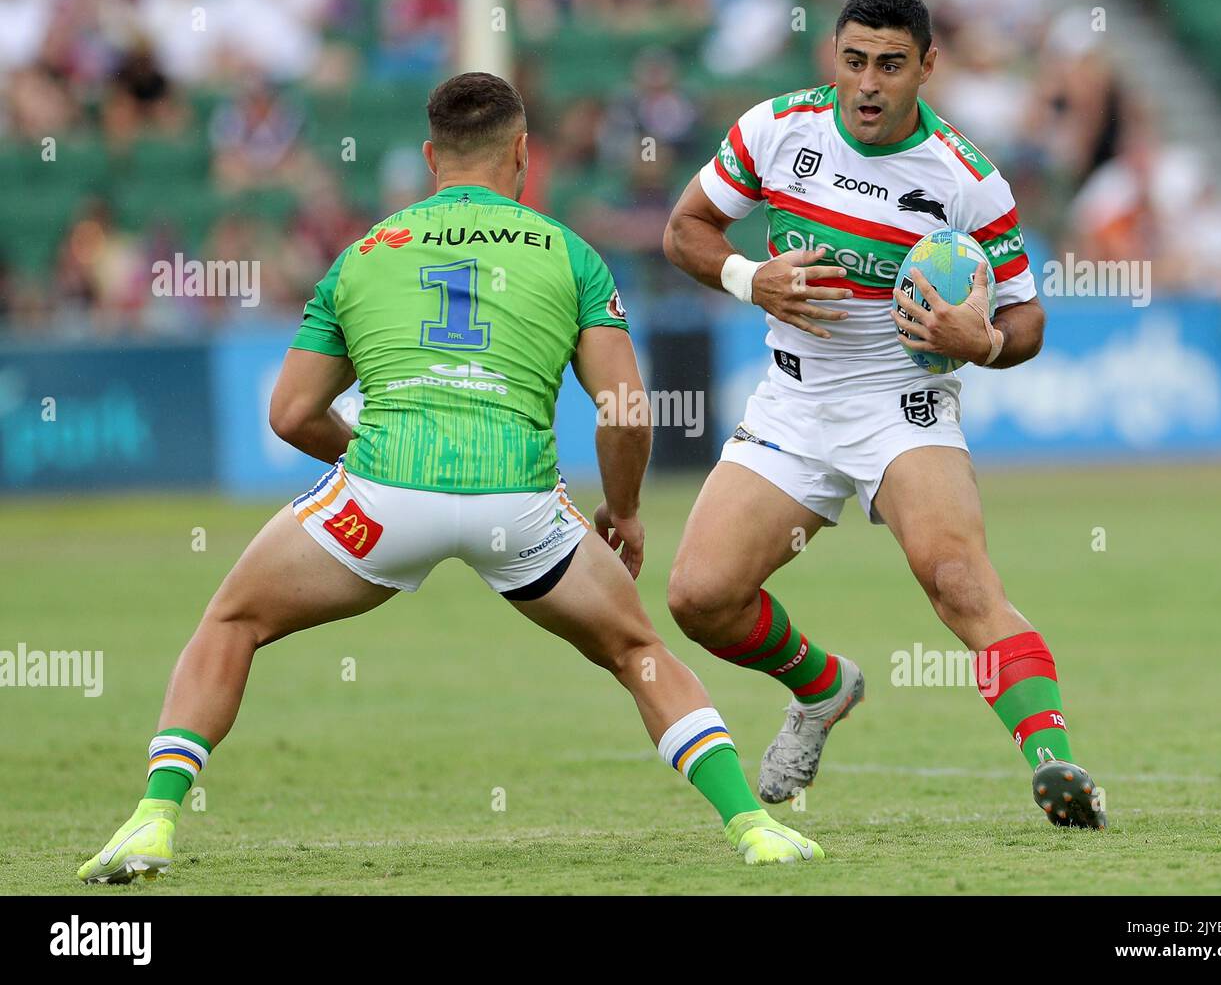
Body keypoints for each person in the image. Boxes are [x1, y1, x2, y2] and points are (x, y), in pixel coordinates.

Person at [78, 72, 823, 883]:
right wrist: (625, 510)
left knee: (231, 622)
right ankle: (754, 827)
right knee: (637, 652)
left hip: (381, 500)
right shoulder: (570, 254)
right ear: (524, 153)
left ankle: (153, 820)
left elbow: (290, 414)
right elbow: (626, 413)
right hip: (522, 508)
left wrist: (378, 468)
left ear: (432, 158)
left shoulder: (364, 254)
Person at [662, 0, 1106, 828]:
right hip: (792, 403)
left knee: (956, 578)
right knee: (699, 598)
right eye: (855, 61)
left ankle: (1057, 764)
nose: (868, 84)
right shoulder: (775, 129)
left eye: (891, 65)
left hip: (902, 402)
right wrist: (749, 277)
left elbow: (1027, 317)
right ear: (834, 55)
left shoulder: (967, 179)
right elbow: (685, 229)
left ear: (927, 66)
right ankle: (822, 686)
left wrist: (986, 342)